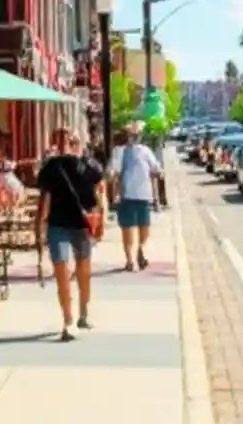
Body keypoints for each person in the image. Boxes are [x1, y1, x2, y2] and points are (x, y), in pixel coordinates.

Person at [36, 130, 104, 341]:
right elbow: (99, 197)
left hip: (69, 224)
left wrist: (39, 230)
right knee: (71, 269)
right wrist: (101, 221)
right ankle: (73, 317)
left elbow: (43, 203)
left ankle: (76, 315)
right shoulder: (89, 167)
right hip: (69, 224)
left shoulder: (53, 167)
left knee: (73, 270)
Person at [109, 124, 162, 272]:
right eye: (134, 134)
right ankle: (135, 255)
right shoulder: (128, 152)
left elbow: (155, 169)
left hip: (136, 195)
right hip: (134, 196)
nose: (134, 137)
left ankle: (135, 255)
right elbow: (113, 173)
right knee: (135, 229)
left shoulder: (137, 152)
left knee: (136, 229)